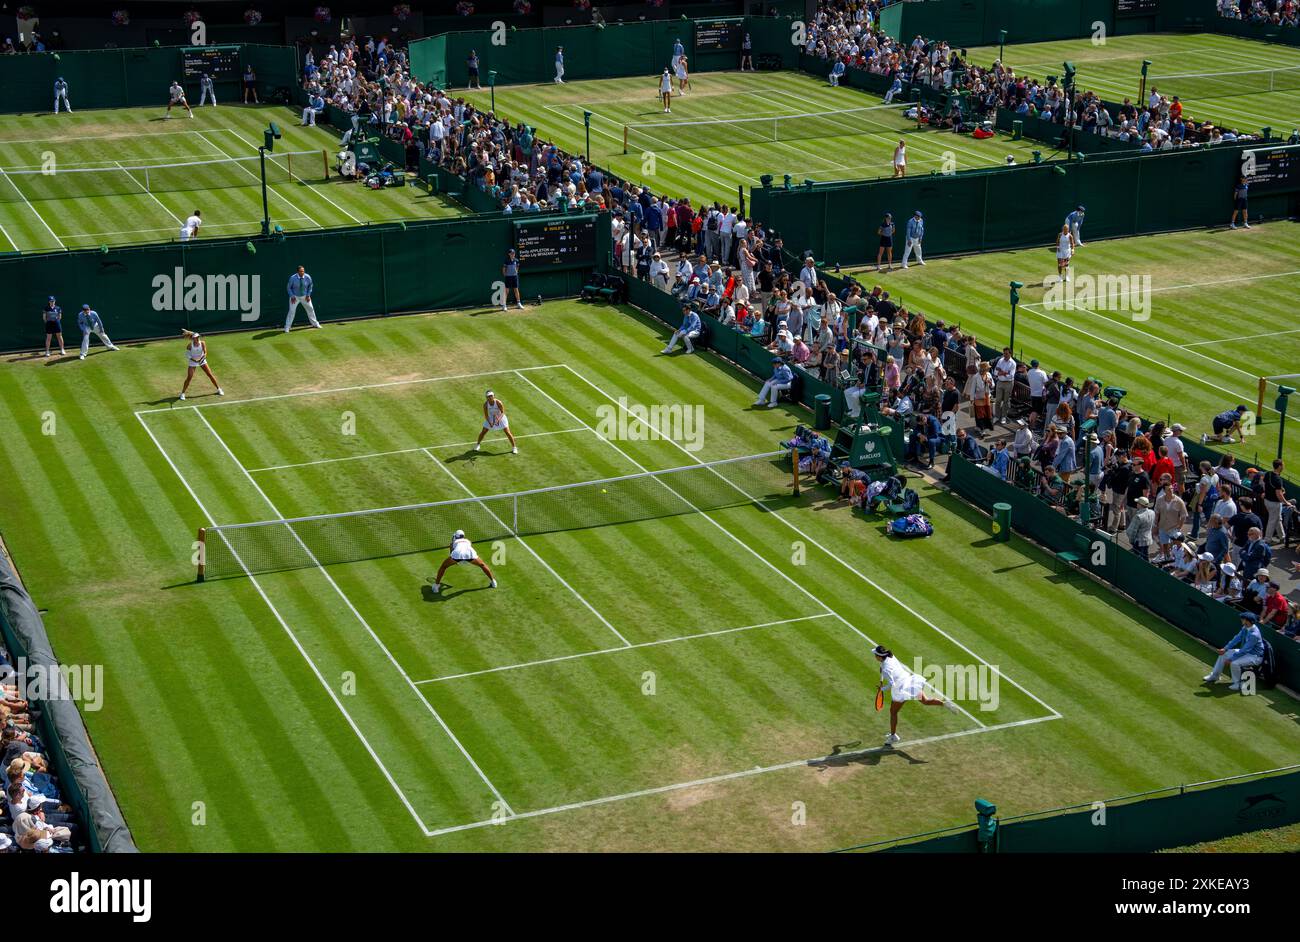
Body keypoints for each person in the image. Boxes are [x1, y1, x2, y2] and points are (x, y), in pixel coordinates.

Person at [874, 644, 955, 747]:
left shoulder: (885, 669)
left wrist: (882, 689)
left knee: (893, 712)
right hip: (910, 682)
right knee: (925, 701)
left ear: (880, 656)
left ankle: (893, 736)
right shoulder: (891, 657)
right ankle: (944, 704)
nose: (874, 656)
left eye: (875, 655)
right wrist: (882, 674)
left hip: (901, 690)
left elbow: (891, 684)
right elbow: (885, 668)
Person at [1203, 612, 1265, 691]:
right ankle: (1215, 676)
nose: (1241, 620)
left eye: (1243, 619)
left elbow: (1245, 650)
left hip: (1254, 657)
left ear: (1248, 621)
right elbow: (1236, 639)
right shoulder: (1245, 628)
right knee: (1224, 654)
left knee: (1234, 663)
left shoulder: (1254, 634)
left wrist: (1231, 659)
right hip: (1246, 653)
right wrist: (1225, 649)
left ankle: (1237, 683)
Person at [430, 529, 497, 595]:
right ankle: (493, 582)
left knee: (443, 566)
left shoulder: (453, 543)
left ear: (455, 536)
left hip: (457, 555)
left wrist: (456, 561)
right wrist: (465, 559)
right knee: (482, 565)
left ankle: (436, 586)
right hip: (470, 554)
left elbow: (452, 554)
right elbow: (466, 550)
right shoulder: (468, 541)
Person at [179, 330, 223, 401]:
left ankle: (219, 389)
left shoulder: (202, 343)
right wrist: (195, 360)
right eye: (196, 337)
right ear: (193, 338)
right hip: (192, 362)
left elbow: (205, 352)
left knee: (210, 374)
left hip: (202, 360)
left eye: (198, 337)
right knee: (189, 377)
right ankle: (182, 394)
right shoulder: (190, 346)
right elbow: (187, 355)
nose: (197, 338)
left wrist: (202, 358)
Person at [285, 266, 322, 331]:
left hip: (305, 296)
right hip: (295, 297)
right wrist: (292, 296)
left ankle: (315, 324)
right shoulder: (292, 278)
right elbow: (289, 288)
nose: (302, 272)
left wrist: (308, 295)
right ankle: (287, 327)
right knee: (291, 311)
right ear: (298, 272)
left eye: (303, 271)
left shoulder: (308, 277)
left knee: (310, 309)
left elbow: (310, 286)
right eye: (301, 271)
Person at [1126, 495, 1155, 560]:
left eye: (1137, 503)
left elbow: (1132, 531)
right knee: (1145, 558)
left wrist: (1131, 540)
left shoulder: (1138, 516)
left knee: (1137, 560)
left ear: (1140, 505)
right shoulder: (1152, 512)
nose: (1136, 504)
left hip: (1139, 541)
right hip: (1148, 539)